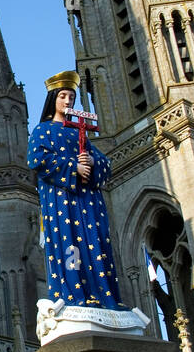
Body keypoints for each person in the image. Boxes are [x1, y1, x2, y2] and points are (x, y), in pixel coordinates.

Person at [28, 69, 125, 309]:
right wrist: (73, 169)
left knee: (96, 244)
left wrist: (92, 163)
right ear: (53, 99)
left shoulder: (80, 132)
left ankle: (104, 297)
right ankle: (74, 296)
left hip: (89, 202)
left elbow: (105, 164)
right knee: (70, 245)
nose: (68, 100)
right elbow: (37, 160)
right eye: (62, 96)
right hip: (62, 201)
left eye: (71, 96)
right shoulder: (42, 131)